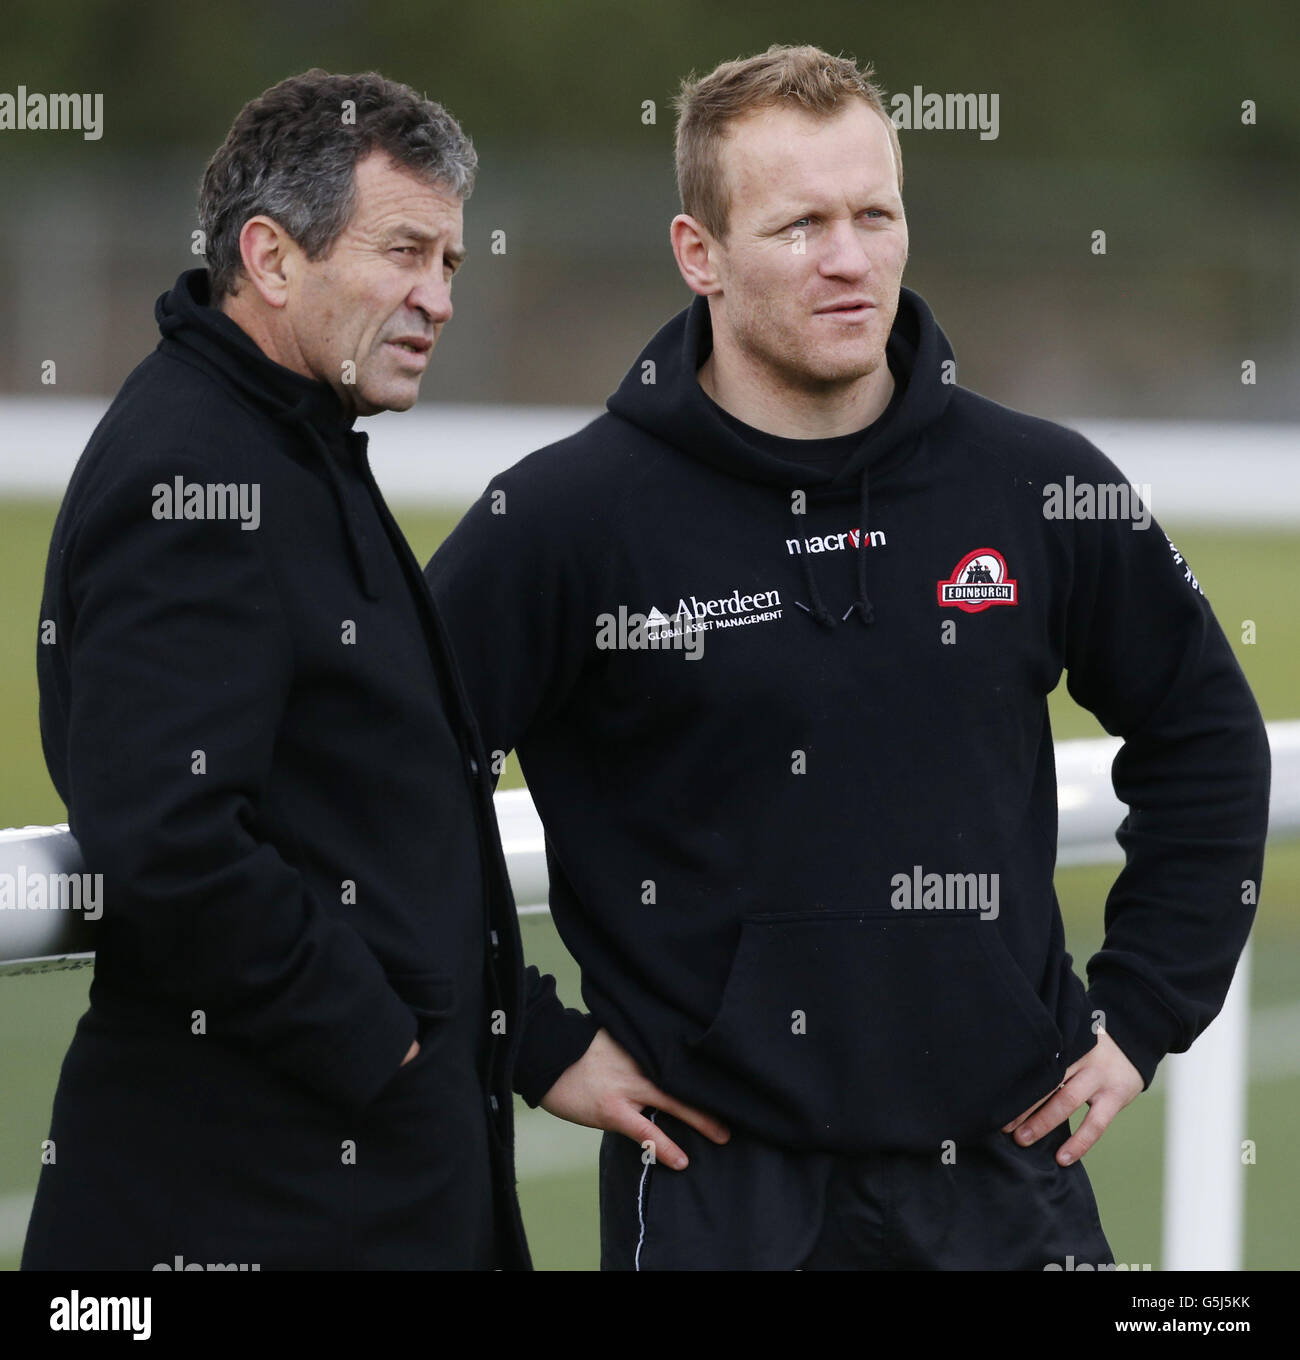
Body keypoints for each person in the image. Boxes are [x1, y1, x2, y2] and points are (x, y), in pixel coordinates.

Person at [425, 45, 1272, 1270]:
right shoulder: (563, 522)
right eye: (800, 224)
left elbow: (1206, 740)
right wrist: (530, 1041)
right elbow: (391, 782)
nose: (849, 257)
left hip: (1005, 1177)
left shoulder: (1037, 484)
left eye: (875, 213)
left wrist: (1140, 1015)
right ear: (697, 253)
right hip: (719, 1192)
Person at [22, 69, 585, 1271]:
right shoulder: (196, 470)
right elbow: (166, 833)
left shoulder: (296, 439)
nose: (437, 299)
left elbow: (375, 830)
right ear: (272, 259)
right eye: (405, 253)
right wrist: (380, 1046)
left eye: (452, 264)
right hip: (253, 1201)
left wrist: (519, 1038)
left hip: (349, 1186)